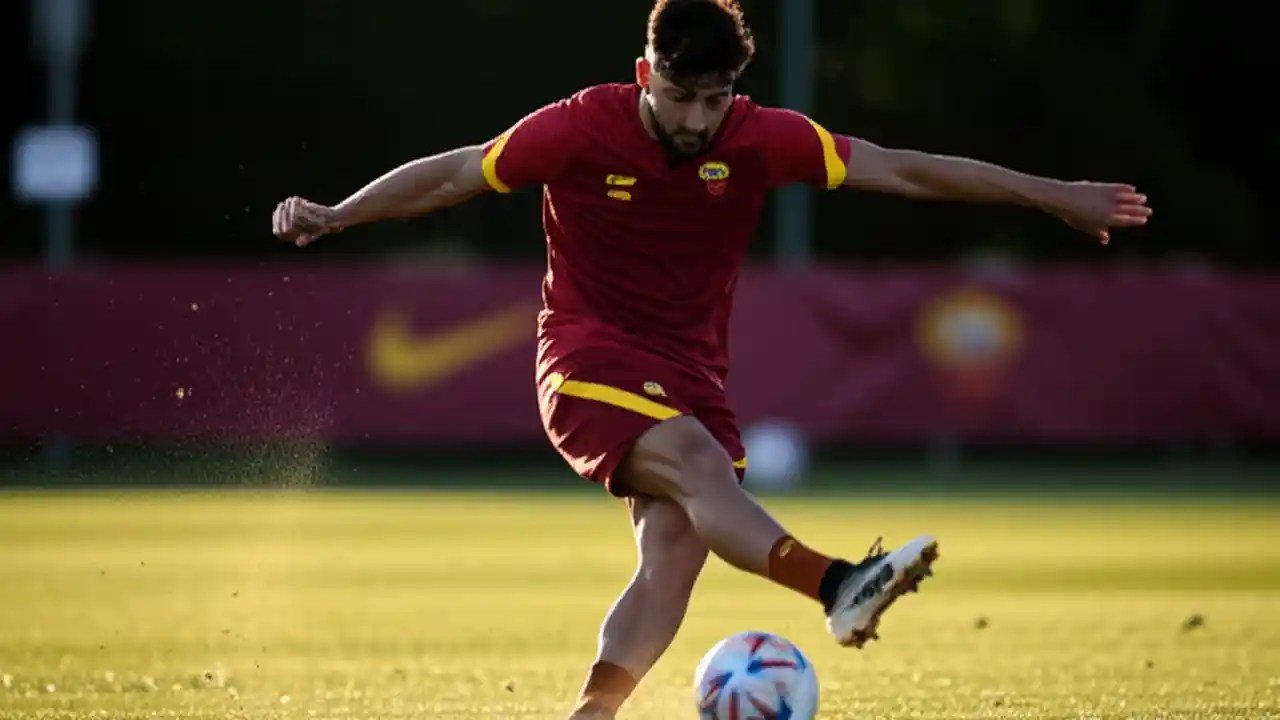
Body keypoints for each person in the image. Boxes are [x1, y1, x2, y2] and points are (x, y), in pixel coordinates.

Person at [272, 1, 1152, 716]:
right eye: (683, 98)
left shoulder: (761, 136)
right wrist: (340, 214)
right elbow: (457, 172)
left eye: (716, 99)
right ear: (646, 75)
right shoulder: (581, 127)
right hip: (585, 356)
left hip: (691, 373)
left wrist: (1054, 196)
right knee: (697, 468)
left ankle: (591, 716)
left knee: (674, 553)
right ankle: (840, 585)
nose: (699, 119)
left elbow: (908, 171)